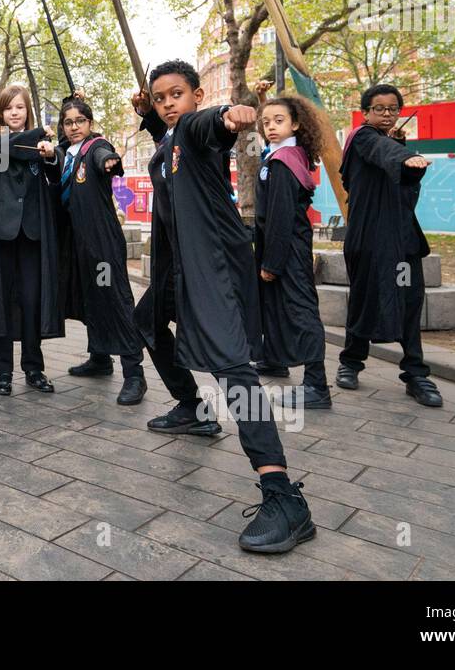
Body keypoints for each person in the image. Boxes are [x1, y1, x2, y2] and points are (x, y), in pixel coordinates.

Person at [133, 59, 315, 554]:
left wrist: (229, 116)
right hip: (181, 267)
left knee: (233, 370)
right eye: (160, 97)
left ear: (195, 95)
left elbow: (204, 127)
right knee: (146, 320)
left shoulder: (195, 129)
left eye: (177, 95)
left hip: (214, 266)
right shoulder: (169, 138)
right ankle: (192, 407)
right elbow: (170, 147)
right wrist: (151, 119)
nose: (169, 104)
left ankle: (283, 496)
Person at [337, 83, 442, 407]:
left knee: (410, 304)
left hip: (401, 244)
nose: (386, 114)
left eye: (392, 108)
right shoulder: (363, 138)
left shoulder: (391, 141)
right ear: (366, 112)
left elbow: (396, 169)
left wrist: (405, 154)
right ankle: (350, 363)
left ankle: (416, 374)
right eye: (379, 108)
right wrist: (406, 156)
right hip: (368, 241)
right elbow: (384, 154)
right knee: (363, 301)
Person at [49, 95, 147, 405]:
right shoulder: (64, 152)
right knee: (89, 298)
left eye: (80, 121)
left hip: (101, 243)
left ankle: (135, 375)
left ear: (89, 124)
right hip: (75, 244)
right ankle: (100, 358)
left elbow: (106, 155)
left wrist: (110, 161)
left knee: (115, 301)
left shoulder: (95, 148)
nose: (74, 126)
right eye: (68, 122)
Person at [0, 84, 62, 396]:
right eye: (9, 108)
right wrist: (39, 135)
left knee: (31, 301)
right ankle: (4, 371)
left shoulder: (43, 144)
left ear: (27, 111)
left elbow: (55, 170)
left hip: (33, 232)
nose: (14, 113)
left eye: (20, 108)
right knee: (1, 300)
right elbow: (8, 148)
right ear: (1, 113)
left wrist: (52, 154)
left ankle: (34, 368)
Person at [252, 90, 331, 409]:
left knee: (301, 311)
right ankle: (275, 358)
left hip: (288, 248)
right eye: (266, 121)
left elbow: (282, 216)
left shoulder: (284, 161)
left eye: (279, 121)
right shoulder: (281, 154)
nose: (270, 126)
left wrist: (272, 262)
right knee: (273, 304)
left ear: (296, 124)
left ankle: (317, 385)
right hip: (279, 245)